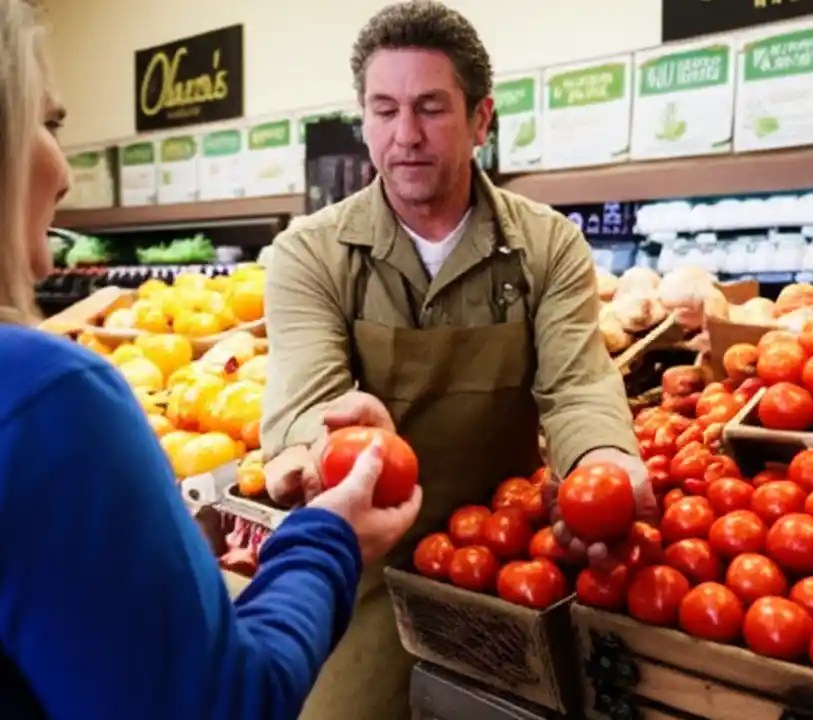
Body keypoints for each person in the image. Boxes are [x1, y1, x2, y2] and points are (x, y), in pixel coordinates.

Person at [0, 1, 423, 717]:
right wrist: (327, 539)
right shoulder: (50, 400)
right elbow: (221, 704)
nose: (65, 170)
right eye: (49, 123)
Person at [259, 2, 652, 716]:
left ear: (480, 120)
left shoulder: (546, 246)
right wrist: (318, 454)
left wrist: (603, 466)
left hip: (505, 561)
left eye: (431, 108)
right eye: (384, 110)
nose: (404, 135)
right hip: (364, 566)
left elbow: (578, 387)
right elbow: (301, 408)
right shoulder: (310, 253)